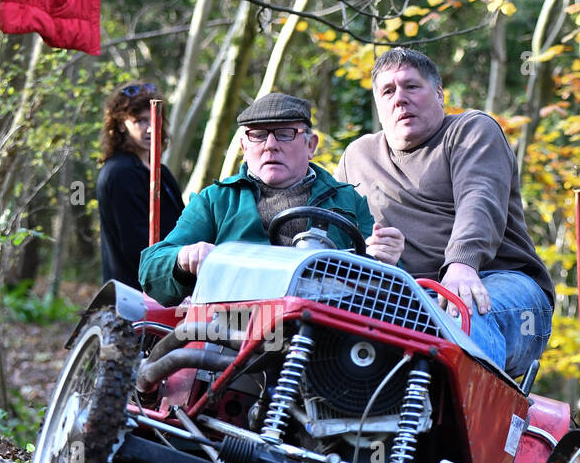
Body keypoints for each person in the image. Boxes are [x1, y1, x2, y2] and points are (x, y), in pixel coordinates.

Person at [335, 48, 555, 378]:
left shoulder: (470, 131)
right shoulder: (358, 156)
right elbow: (335, 231)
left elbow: (480, 200)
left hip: (498, 283)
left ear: (439, 93)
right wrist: (370, 253)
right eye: (388, 91)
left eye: (411, 87)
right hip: (408, 296)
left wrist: (463, 263)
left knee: (459, 312)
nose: (400, 99)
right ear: (379, 105)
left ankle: (462, 424)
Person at [138, 92, 405, 306]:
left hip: (326, 328)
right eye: (258, 135)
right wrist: (184, 257)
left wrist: (387, 258)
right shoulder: (216, 200)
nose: (270, 145)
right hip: (236, 326)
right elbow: (151, 266)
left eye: (285, 133)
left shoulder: (348, 200)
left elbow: (394, 284)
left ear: (311, 145)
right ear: (244, 147)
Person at [96, 82, 185, 289]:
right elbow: (136, 247)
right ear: (120, 125)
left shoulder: (159, 172)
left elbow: (182, 226)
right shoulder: (120, 172)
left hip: (165, 289)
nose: (150, 128)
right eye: (140, 121)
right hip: (136, 297)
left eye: (153, 119)